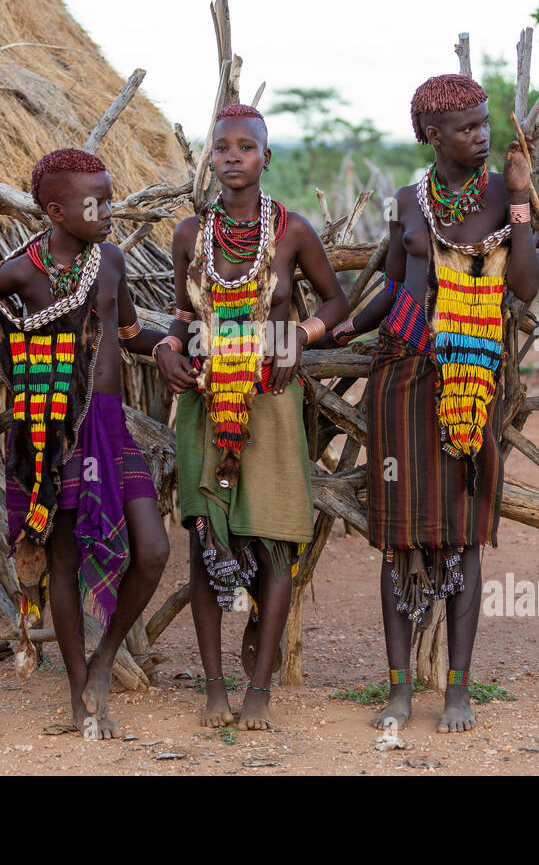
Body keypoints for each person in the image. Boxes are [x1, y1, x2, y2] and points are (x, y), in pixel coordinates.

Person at [330, 74, 539, 733]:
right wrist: (344, 329)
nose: (481, 136)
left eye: (483, 124)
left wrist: (523, 205)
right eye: (467, 128)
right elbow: (397, 286)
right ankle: (397, 689)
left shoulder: (507, 196)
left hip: (471, 379)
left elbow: (527, 287)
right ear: (432, 135)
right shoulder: (407, 201)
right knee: (399, 537)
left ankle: (458, 689)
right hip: (402, 374)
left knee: (464, 534)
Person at [0, 148, 170, 740]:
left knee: (152, 549)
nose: (107, 210)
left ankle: (104, 660)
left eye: (109, 197)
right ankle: (81, 694)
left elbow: (129, 334)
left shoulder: (109, 263)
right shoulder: (19, 272)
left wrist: (170, 347)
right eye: (93, 202)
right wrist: (15, 355)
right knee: (63, 558)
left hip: (107, 424)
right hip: (49, 431)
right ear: (54, 210)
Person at [156, 104, 348, 730]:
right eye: (221, 148)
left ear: (267, 157)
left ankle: (259, 687)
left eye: (245, 147)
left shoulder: (291, 232)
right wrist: (167, 349)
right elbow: (182, 319)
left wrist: (302, 338)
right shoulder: (191, 235)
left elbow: (337, 302)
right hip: (205, 400)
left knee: (273, 539)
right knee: (206, 535)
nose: (232, 157)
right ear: (209, 157)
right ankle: (214, 687)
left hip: (268, 398)